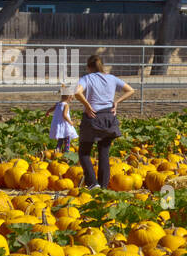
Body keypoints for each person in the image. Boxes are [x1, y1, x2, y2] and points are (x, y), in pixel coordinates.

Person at [73, 54, 134, 188]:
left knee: (84, 152)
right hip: (109, 117)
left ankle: (93, 183)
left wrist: (88, 106)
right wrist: (116, 102)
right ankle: (103, 187)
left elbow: (77, 92)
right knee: (104, 153)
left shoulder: (87, 78)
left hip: (93, 118)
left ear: (89, 67)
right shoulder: (111, 78)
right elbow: (130, 90)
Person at [47, 82, 78, 153]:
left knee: (60, 138)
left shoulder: (58, 104)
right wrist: (70, 122)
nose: (71, 100)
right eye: (72, 99)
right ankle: (66, 151)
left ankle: (57, 150)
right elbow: (64, 115)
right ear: (69, 97)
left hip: (58, 125)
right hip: (65, 125)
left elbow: (52, 108)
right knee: (67, 139)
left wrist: (48, 112)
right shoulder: (66, 105)